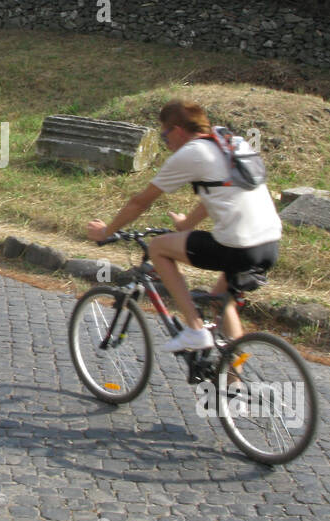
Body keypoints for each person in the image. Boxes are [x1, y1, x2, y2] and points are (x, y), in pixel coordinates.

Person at [86, 99, 281, 352]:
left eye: (165, 137)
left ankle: (195, 330)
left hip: (237, 245)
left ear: (177, 130)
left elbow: (139, 202)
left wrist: (106, 231)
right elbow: (223, 191)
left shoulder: (192, 152)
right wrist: (186, 224)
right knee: (221, 303)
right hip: (269, 243)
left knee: (158, 248)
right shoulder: (230, 143)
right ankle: (233, 387)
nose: (167, 144)